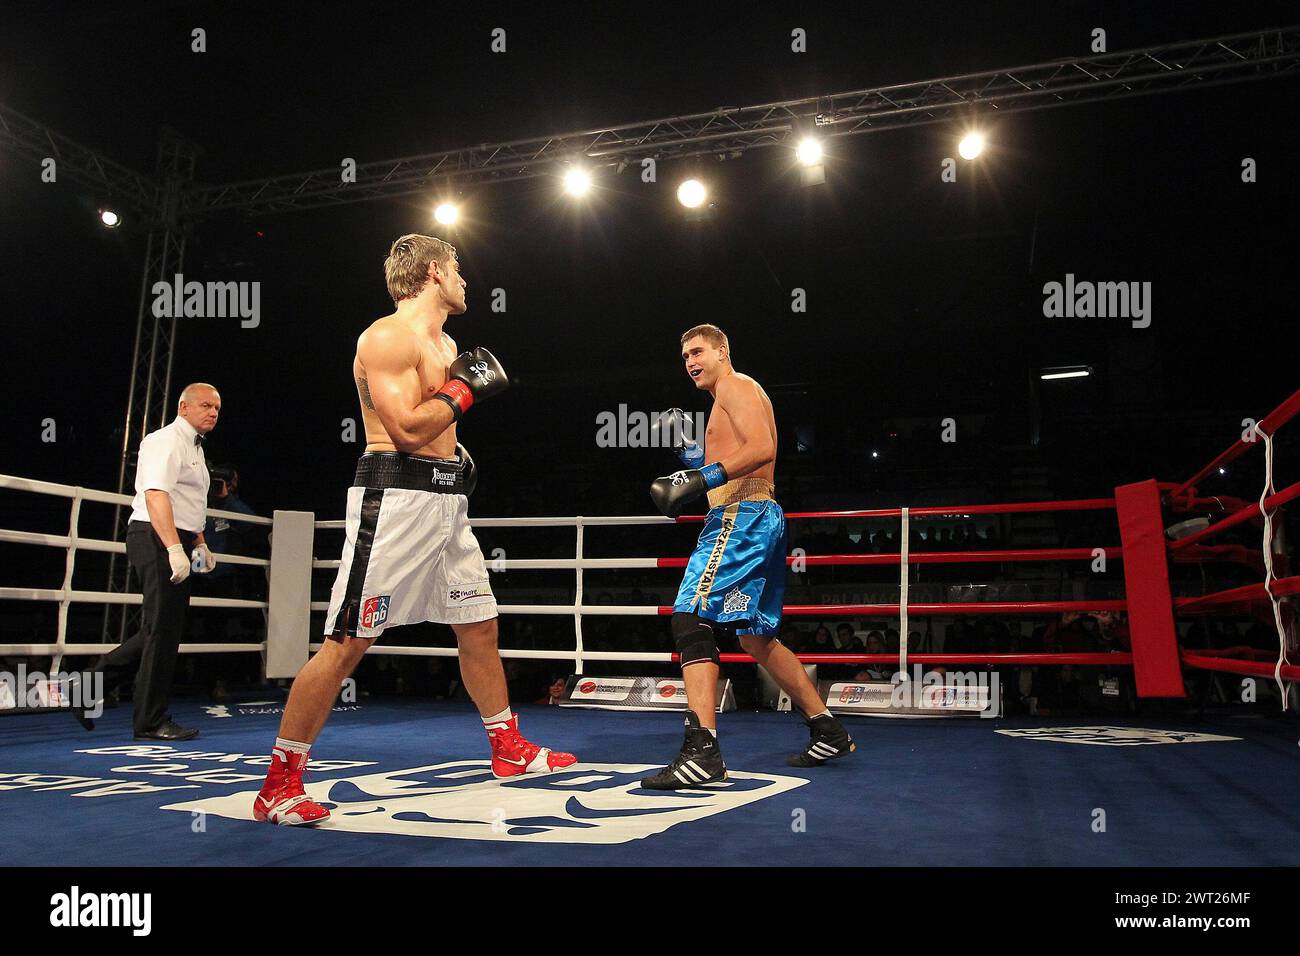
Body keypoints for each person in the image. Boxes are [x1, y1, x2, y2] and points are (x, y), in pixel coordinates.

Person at [252, 234, 575, 826]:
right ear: (432, 273)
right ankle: (280, 783)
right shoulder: (386, 337)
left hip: (445, 501)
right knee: (349, 641)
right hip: (394, 501)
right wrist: (463, 390)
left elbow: (440, 426)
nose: (465, 281)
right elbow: (404, 427)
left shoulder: (445, 341)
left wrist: (460, 450)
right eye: (457, 270)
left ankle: (507, 748)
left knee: (479, 625)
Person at [640, 324, 854, 789]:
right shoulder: (726, 398)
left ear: (723, 351)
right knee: (756, 638)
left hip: (742, 517)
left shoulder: (736, 386)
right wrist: (697, 460)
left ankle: (702, 751)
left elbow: (763, 449)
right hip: (757, 517)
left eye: (698, 352)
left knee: (689, 617)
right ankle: (826, 726)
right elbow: (743, 453)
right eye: (685, 357)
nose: (691, 362)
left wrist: (698, 479)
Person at [78, 384, 223, 740]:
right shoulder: (165, 440)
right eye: (206, 405)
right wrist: (174, 547)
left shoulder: (195, 448)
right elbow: (156, 495)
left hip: (176, 536)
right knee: (163, 632)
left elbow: (187, 499)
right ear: (183, 407)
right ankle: (150, 721)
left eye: (218, 408)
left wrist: (199, 542)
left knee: (160, 629)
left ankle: (87, 687)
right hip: (155, 535)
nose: (213, 412)